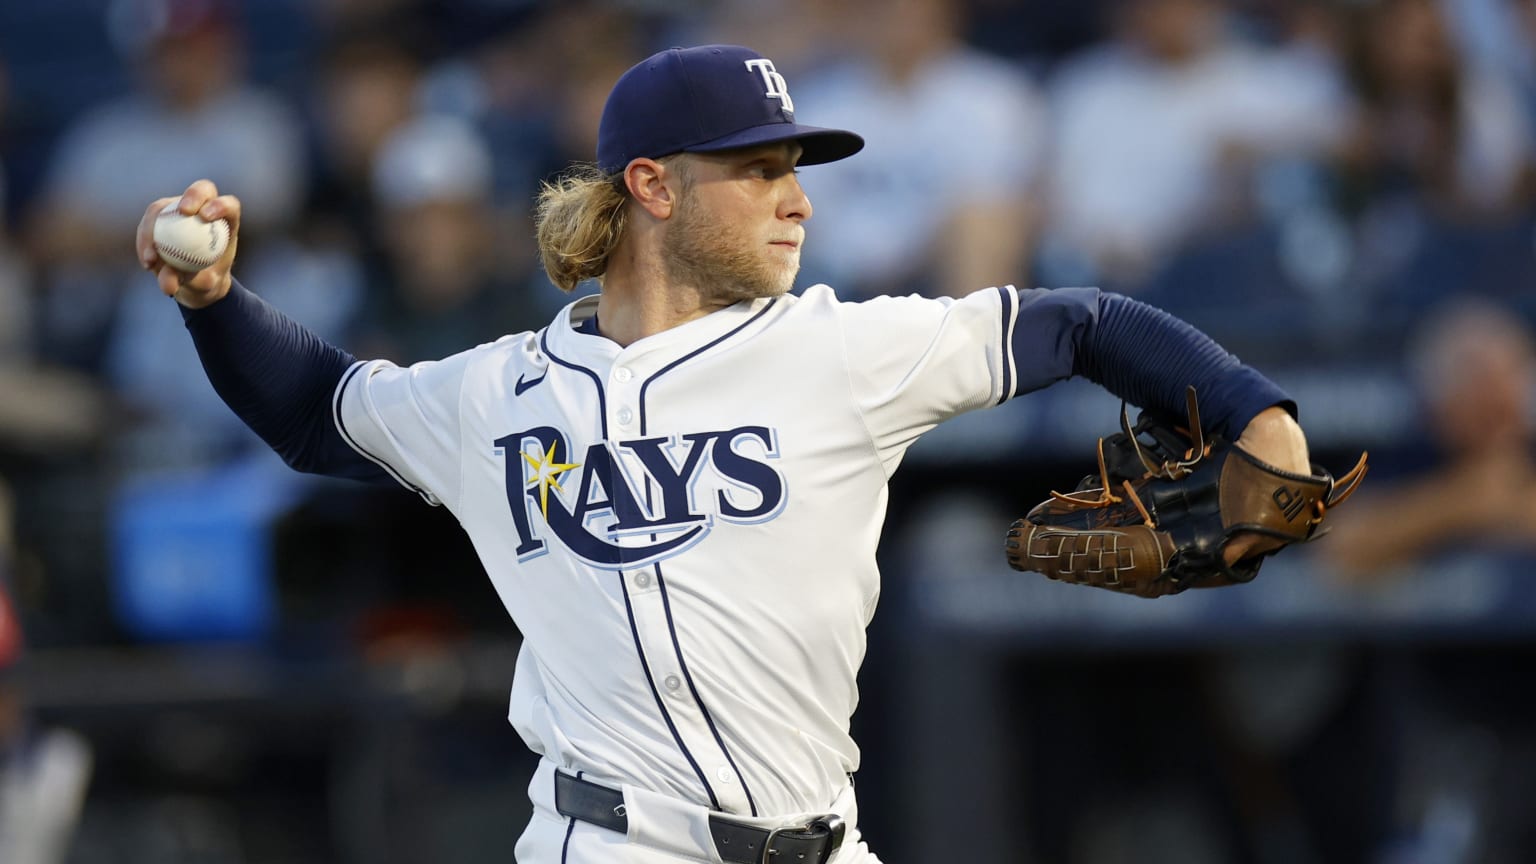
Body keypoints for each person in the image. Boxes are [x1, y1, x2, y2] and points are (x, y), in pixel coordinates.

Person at [133, 44, 1312, 863]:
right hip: (610, 843)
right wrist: (215, 300)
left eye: (795, 171)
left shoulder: (844, 351)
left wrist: (1257, 413)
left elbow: (1083, 324)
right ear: (650, 185)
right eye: (757, 171)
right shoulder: (497, 393)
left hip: (823, 841)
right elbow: (317, 407)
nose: (795, 200)